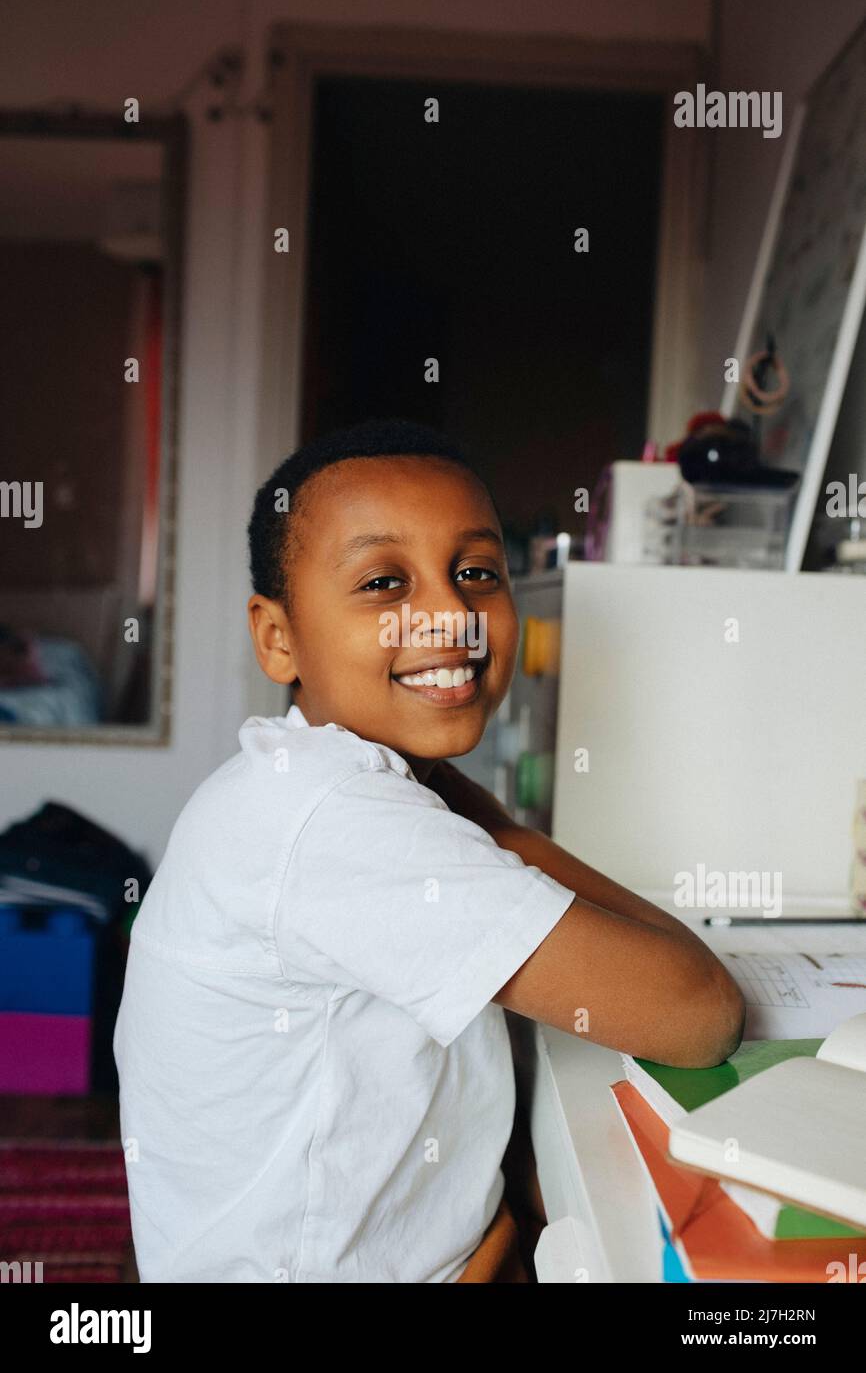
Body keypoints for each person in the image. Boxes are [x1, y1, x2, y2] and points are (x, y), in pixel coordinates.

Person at [113, 418, 745, 1282]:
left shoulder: (310, 780)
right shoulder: (335, 818)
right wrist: (491, 824)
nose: (450, 614)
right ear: (277, 637)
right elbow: (700, 1012)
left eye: (476, 572)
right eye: (383, 582)